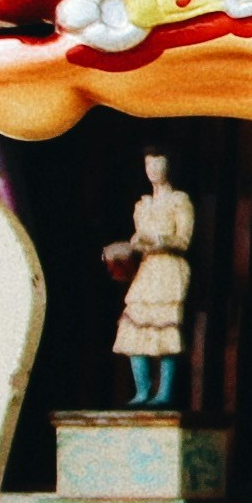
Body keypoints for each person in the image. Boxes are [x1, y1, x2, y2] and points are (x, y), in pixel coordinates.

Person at [99, 153, 193, 409]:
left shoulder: (178, 201)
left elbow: (183, 239)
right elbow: (138, 238)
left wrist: (160, 240)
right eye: (148, 164)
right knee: (133, 327)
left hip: (169, 267)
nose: (153, 169)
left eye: (158, 163)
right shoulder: (143, 205)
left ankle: (164, 393)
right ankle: (142, 391)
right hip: (148, 269)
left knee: (166, 328)